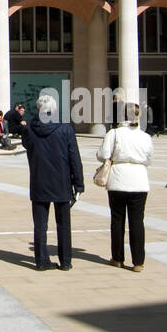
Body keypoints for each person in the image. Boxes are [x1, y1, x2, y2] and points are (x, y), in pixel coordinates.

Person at [22, 94, 84, 271]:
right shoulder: (65, 129)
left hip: (39, 180)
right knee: (63, 224)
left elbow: (28, 146)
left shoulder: (29, 129)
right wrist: (78, 184)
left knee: (40, 225)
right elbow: (74, 158)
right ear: (54, 110)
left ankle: (41, 261)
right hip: (62, 181)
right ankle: (65, 261)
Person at [96, 104, 154, 271]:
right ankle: (138, 261)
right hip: (139, 180)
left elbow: (103, 155)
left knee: (117, 220)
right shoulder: (145, 136)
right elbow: (149, 159)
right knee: (137, 221)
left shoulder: (114, 133)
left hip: (118, 179)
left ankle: (117, 258)